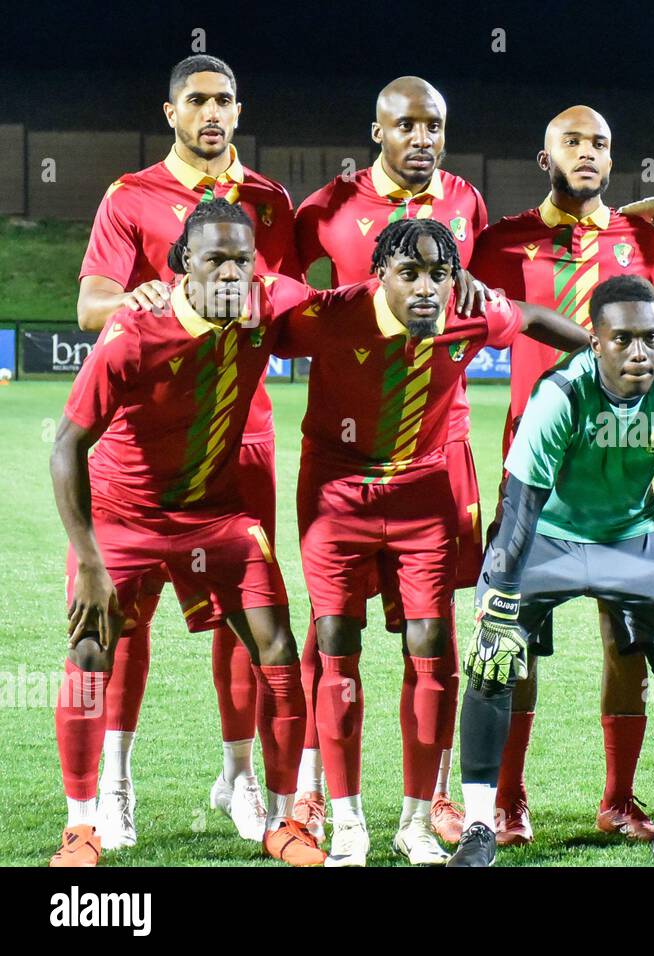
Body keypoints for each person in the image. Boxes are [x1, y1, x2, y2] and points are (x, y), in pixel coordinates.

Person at [275, 218, 589, 866]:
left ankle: (416, 822)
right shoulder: (329, 315)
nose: (425, 287)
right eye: (409, 272)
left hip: (423, 496)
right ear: (378, 273)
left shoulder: (469, 313)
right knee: (335, 637)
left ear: (456, 277)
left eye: (438, 273)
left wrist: (602, 352)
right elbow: (260, 329)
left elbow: (530, 315)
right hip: (337, 492)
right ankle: (348, 823)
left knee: (430, 641)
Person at [74, 53, 301, 851]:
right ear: (170, 111)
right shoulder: (131, 197)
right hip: (154, 438)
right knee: (123, 625)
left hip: (246, 434)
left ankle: (239, 777)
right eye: (197, 100)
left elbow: (294, 304)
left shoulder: (270, 201)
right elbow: (89, 301)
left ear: (239, 111)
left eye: (225, 100)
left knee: (249, 623)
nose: (212, 113)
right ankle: (115, 783)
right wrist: (135, 295)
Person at [50, 201, 322, 867]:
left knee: (278, 650)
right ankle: (82, 826)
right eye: (215, 260)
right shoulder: (135, 332)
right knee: (91, 651)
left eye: (242, 259)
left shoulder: (268, 302)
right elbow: (66, 447)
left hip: (217, 514)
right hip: (123, 517)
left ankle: (282, 820)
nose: (232, 273)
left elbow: (345, 305)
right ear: (182, 268)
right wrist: (88, 559)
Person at [447, 275, 654, 867]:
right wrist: (497, 603)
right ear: (593, 343)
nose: (639, 353)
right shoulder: (560, 393)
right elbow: (521, 508)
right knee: (493, 660)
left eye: (651, 338)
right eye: (622, 339)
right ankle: (479, 827)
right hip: (546, 537)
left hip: (629, 538)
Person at [467, 106, 654, 844]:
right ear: (544, 155)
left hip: (622, 477)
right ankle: (507, 798)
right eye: (573, 142)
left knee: (627, 645)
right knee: (516, 639)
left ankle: (619, 798)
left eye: (600, 143)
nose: (588, 153)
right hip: (532, 477)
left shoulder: (643, 240)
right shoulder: (503, 242)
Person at [292, 75, 489, 844]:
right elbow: (276, 284)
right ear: (376, 131)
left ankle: (433, 796)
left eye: (434, 125)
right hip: (343, 447)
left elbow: (488, 289)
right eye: (405, 125)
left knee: (431, 624)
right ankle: (313, 788)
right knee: (327, 624)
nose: (422, 138)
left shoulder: (466, 203)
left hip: (440, 440)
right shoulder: (330, 208)